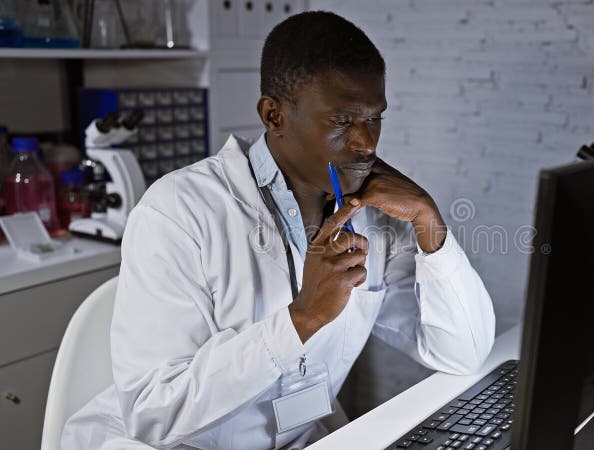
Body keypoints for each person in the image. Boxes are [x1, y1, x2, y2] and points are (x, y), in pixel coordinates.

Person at [61, 11, 495, 450]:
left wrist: (429, 222)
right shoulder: (178, 212)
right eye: (344, 121)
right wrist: (302, 318)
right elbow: (154, 414)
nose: (367, 143)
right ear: (274, 115)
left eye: (375, 118)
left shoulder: (371, 215)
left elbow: (463, 352)